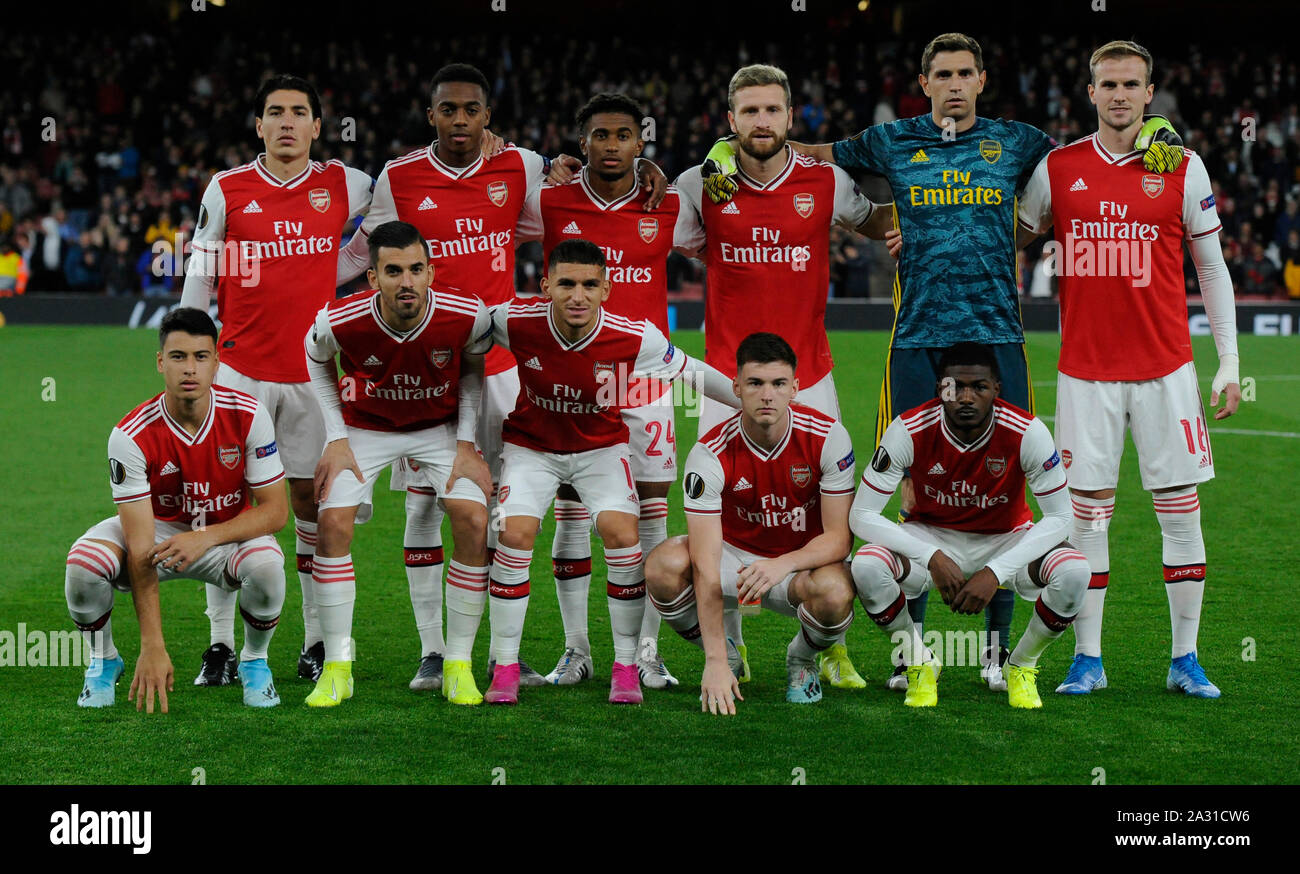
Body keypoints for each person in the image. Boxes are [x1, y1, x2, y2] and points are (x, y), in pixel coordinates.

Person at [336, 63, 654, 691]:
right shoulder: (398, 178)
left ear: (488, 116)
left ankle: (501, 654)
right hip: (430, 368)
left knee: (510, 513)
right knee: (429, 505)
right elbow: (361, 254)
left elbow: (572, 205)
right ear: (432, 115)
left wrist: (638, 171)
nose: (460, 120)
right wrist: (307, 293)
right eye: (448, 109)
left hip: (506, 368)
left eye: (471, 110)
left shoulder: (523, 167)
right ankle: (436, 653)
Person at [1016, 40, 1241, 698]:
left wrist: (1228, 362)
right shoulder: (1057, 169)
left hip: (1167, 370)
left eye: (1131, 84)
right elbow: (1013, 237)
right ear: (1090, 92)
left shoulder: (1183, 166)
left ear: (1149, 94)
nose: (1119, 94)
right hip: (1085, 374)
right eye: (1107, 84)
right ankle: (1089, 659)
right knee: (1087, 518)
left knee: (1180, 513)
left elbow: (1212, 270)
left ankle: (1185, 658)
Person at [675, 62, 891, 689]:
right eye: (750, 111)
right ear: (731, 119)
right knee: (720, 509)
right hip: (722, 380)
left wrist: (924, 211)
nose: (761, 121)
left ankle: (829, 646)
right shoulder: (699, 184)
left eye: (772, 110)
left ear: (791, 118)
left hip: (811, 375)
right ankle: (732, 648)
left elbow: (872, 219)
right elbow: (654, 213)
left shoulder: (825, 181)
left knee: (828, 516)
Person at [482, 238, 740, 705]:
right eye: (565, 284)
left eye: (588, 285)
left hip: (600, 449)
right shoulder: (512, 321)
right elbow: (457, 335)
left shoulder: (635, 337)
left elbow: (690, 372)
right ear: (545, 287)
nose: (577, 295)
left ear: (607, 289)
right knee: (513, 535)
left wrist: (750, 400)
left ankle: (625, 666)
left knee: (623, 535)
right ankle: (504, 666)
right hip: (531, 448)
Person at [180, 74, 374, 687]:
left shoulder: (346, 182)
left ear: (318, 127)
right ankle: (219, 645)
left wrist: (335, 269)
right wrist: (190, 354)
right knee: (225, 502)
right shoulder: (229, 187)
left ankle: (316, 642)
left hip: (313, 377)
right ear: (258, 125)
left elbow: (385, 226)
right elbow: (201, 271)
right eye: (274, 113)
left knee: (310, 504)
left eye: (299, 113)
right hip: (239, 373)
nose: (287, 123)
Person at [516, 92, 698, 690]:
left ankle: (643, 650)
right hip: (573, 384)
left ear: (641, 142)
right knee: (571, 514)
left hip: (644, 381)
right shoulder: (550, 200)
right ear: (582, 141)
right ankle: (576, 650)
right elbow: (485, 218)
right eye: (600, 135)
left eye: (624, 135)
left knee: (647, 517)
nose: (612, 145)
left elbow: (723, 208)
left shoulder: (668, 202)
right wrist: (540, 163)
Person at [304, 221, 493, 707]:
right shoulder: (338, 320)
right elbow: (316, 360)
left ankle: (458, 664)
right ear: (372, 278)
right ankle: (337, 667)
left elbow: (474, 369)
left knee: (473, 520)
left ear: (431, 272)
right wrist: (337, 437)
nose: (405, 282)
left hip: (439, 428)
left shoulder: (465, 314)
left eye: (414, 270)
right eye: (392, 271)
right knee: (331, 526)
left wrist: (467, 443)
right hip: (367, 428)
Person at [65, 307, 288, 712]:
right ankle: (103, 660)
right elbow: (139, 545)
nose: (190, 369)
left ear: (217, 363)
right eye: (178, 357)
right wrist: (153, 646)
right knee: (83, 564)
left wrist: (206, 537)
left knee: (268, 566)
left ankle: (256, 662)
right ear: (159, 362)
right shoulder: (129, 436)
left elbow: (275, 512)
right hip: (158, 533)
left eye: (201, 357)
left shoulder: (249, 414)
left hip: (223, 534)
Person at [849, 343, 1090, 708]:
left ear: (996, 389)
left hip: (1005, 540)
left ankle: (1020, 666)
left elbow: (1061, 517)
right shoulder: (908, 429)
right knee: (866, 566)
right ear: (938, 388)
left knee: (1074, 571)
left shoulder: (1028, 432)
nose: (965, 396)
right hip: (929, 536)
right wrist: (931, 556)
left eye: (978, 387)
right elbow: (861, 515)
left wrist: (995, 572)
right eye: (953, 386)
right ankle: (918, 663)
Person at [646, 333, 858, 714]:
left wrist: (782, 564)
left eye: (778, 384)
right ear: (736, 387)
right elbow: (706, 565)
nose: (767, 395)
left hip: (796, 567)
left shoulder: (829, 437)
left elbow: (839, 538)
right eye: (756, 383)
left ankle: (801, 659)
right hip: (733, 563)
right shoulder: (709, 453)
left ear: (795, 387)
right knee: (663, 566)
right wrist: (713, 661)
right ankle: (729, 654)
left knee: (836, 593)